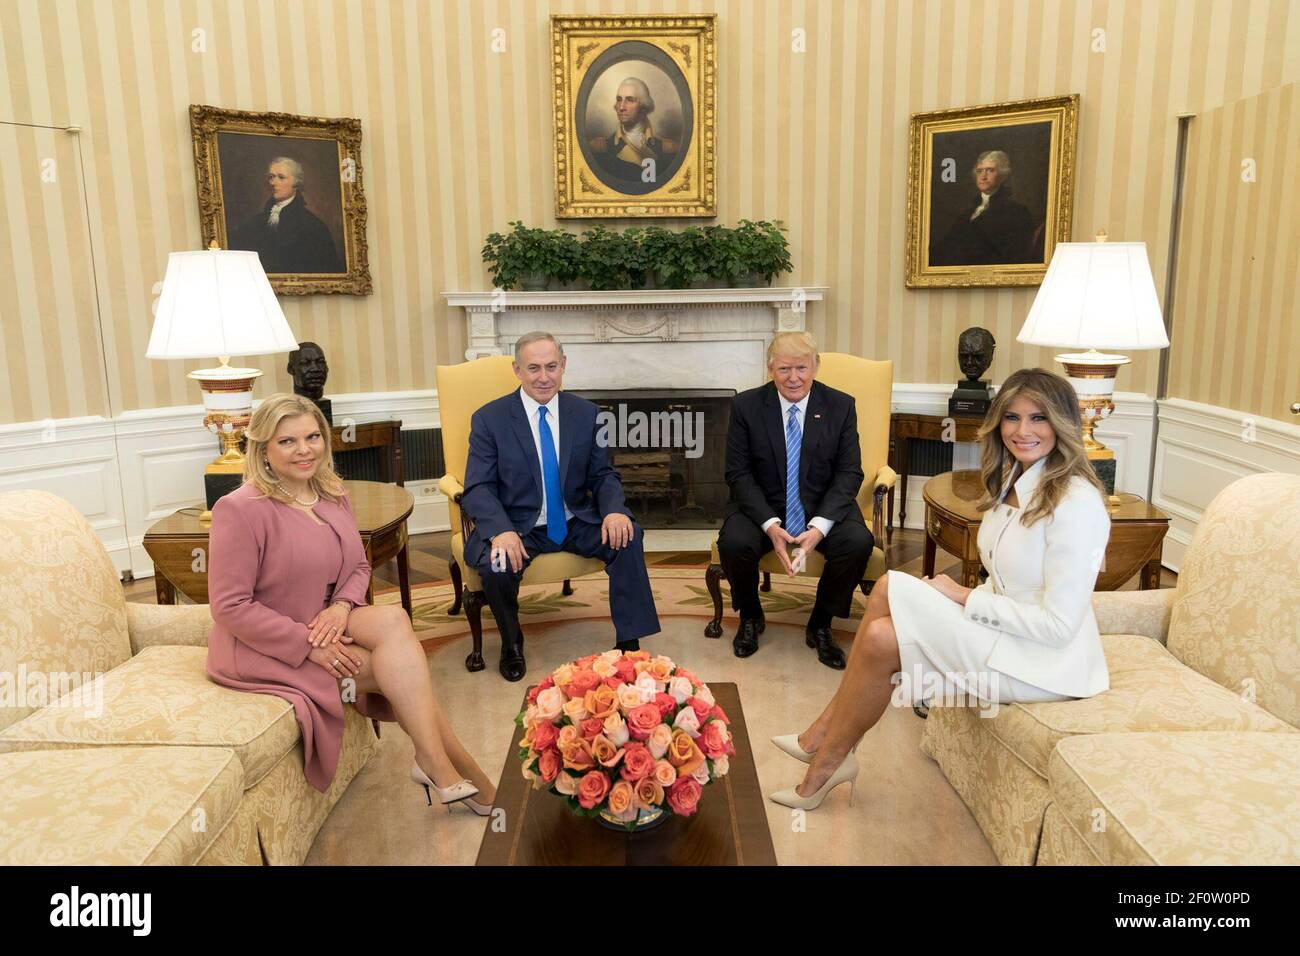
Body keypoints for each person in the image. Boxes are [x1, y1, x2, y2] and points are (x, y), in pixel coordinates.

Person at [769, 368, 1111, 810]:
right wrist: (969, 597)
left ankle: (824, 746)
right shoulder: (1016, 480)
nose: (1022, 431)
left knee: (885, 615)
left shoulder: (1076, 502)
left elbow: (1058, 626)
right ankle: (828, 750)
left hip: (1044, 664)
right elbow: (1007, 582)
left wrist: (964, 597)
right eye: (1011, 417)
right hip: (1007, 634)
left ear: (1061, 423)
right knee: (884, 612)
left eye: (1038, 418)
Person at [206, 393, 496, 813]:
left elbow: (358, 566)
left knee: (395, 621)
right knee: (397, 671)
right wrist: (308, 643)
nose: (304, 450)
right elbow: (229, 607)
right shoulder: (240, 509)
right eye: (287, 441)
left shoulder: (331, 493)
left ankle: (436, 763)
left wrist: (342, 606)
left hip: (327, 620)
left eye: (312, 437)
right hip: (261, 646)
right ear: (263, 449)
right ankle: (453, 769)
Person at [461, 332, 661, 682]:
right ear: (517, 370)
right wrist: (501, 531)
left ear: (563, 366)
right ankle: (512, 644)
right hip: (518, 525)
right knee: (495, 564)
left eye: (551, 367)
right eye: (534, 368)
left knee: (628, 535)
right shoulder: (489, 419)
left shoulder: (587, 414)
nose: (543, 377)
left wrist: (614, 510)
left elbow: (603, 474)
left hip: (574, 519)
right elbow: (478, 487)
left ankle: (629, 643)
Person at [718, 332, 874, 668]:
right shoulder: (746, 406)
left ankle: (821, 622)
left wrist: (819, 528)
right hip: (763, 505)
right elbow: (738, 473)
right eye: (784, 369)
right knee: (733, 541)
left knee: (858, 541)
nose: (794, 378)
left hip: (822, 505)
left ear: (816, 366)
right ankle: (750, 615)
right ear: (770, 368)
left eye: (802, 368)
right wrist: (770, 524)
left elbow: (849, 473)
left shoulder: (840, 406)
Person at [229, 157, 343, 274]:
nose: (273, 183)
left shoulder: (313, 226)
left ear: (296, 183)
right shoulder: (255, 222)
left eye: (281, 177)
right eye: (271, 177)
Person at [929, 150, 1043, 266]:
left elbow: (1015, 256)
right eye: (979, 171)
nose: (983, 176)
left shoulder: (1017, 212)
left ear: (1003, 175)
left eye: (990, 170)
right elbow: (946, 246)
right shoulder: (968, 213)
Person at [587, 77, 680, 193]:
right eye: (619, 100)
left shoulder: (668, 149)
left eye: (630, 100)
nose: (621, 107)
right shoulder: (599, 149)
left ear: (643, 107)